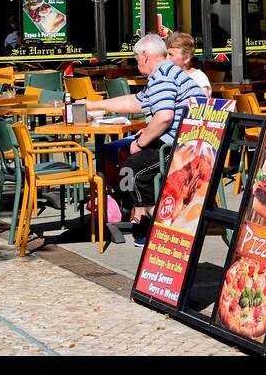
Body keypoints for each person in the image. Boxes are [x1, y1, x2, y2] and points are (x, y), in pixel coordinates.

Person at [85, 34, 206, 244]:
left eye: (136, 58)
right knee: (120, 152)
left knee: (130, 168)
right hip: (186, 142)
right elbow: (135, 102)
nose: (136, 62)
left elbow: (164, 117)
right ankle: (142, 213)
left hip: (181, 148)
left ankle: (154, 220)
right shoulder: (166, 73)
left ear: (145, 55)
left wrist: (139, 143)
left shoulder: (163, 77)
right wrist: (94, 105)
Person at [166, 32, 211, 97]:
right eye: (166, 54)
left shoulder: (198, 78)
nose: (167, 58)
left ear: (186, 58)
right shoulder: (169, 74)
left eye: (171, 54)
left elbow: (202, 103)